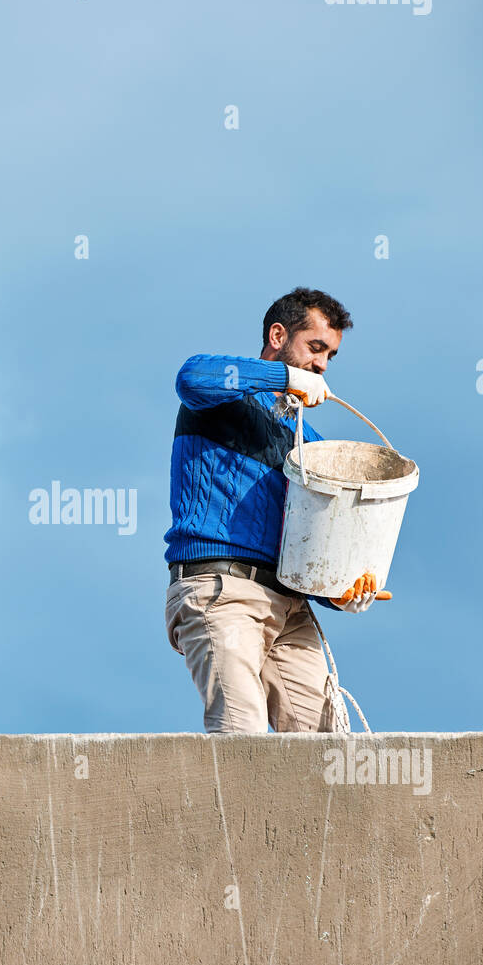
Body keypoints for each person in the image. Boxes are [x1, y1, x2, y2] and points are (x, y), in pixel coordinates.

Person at [164, 286, 384, 734]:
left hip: (290, 605)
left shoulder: (310, 445)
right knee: (242, 738)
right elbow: (191, 377)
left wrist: (340, 590)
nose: (322, 364)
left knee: (328, 752)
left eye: (331, 355)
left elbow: (315, 545)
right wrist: (283, 379)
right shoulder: (221, 398)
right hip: (221, 590)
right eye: (315, 347)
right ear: (278, 335)